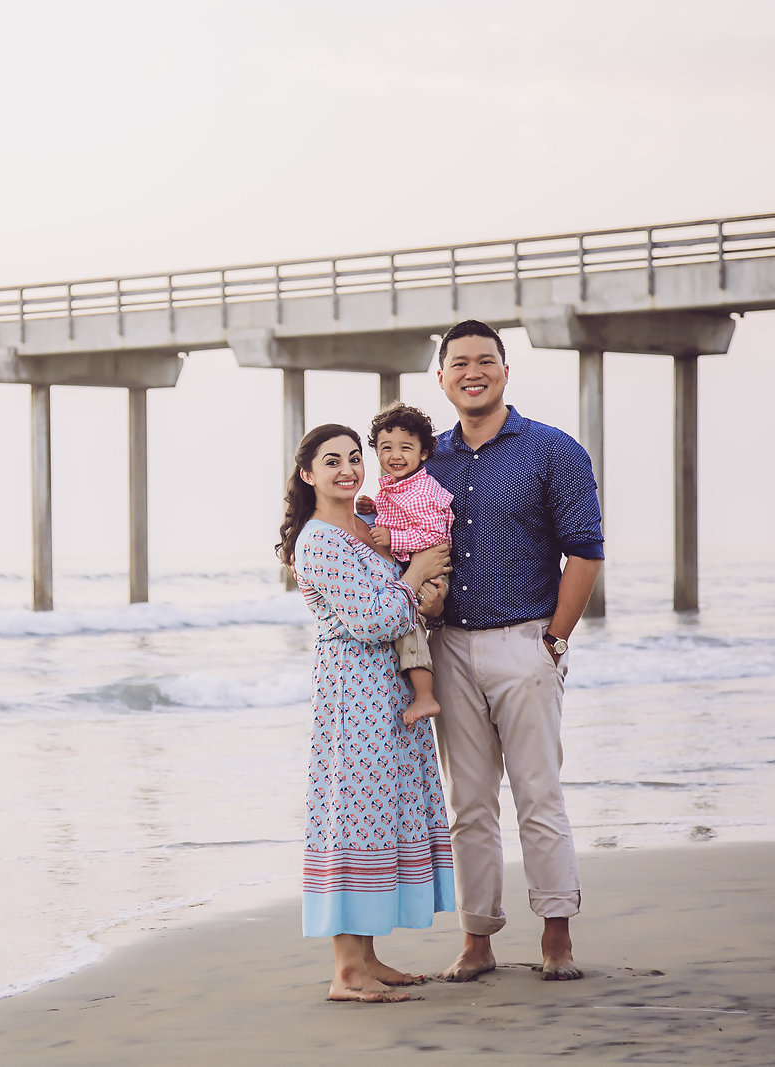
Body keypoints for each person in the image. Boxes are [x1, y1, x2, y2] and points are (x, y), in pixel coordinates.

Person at [423, 319, 605, 983]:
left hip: (526, 641)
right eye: (459, 363)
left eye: (485, 361)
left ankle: (557, 935)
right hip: (448, 647)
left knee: (538, 793)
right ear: (442, 377)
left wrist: (555, 639)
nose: (472, 372)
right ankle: (477, 940)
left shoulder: (553, 449)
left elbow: (585, 549)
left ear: (505, 371)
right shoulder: (428, 461)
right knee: (467, 804)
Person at [275, 423, 455, 1003]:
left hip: (390, 690)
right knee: (353, 815)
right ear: (308, 475)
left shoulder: (367, 526)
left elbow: (403, 608)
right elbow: (372, 621)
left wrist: (423, 589)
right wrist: (415, 575)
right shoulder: (318, 540)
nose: (348, 469)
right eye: (331, 461)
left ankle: (368, 958)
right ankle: (347, 971)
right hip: (353, 692)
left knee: (379, 815)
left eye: (355, 457)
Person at [357, 402, 455, 729]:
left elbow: (435, 536)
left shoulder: (422, 490)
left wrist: (393, 537)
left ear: (423, 453)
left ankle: (425, 696)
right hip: (413, 567)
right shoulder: (394, 486)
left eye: (406, 447)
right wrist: (373, 508)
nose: (395, 455)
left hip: (431, 570)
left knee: (409, 627)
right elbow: (396, 516)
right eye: (386, 447)